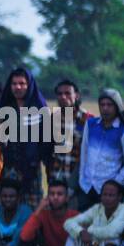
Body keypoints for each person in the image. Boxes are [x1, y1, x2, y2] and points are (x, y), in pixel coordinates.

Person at [0, 66, 50, 207]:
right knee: (9, 208)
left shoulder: (39, 108)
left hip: (32, 170)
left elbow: (46, 142)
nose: (18, 87)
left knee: (33, 211)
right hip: (10, 168)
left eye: (22, 84)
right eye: (14, 84)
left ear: (29, 85)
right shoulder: (5, 107)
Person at [76, 89, 124, 212]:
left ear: (117, 107)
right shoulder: (90, 124)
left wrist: (115, 184)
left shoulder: (123, 131)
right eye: (102, 105)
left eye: (109, 105)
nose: (105, 108)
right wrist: (82, 178)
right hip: (86, 186)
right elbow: (84, 153)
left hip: (108, 192)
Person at [16, 180, 79, 246]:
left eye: (59, 194)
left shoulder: (75, 216)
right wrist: (39, 209)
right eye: (52, 194)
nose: (55, 197)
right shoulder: (43, 214)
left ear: (67, 198)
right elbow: (24, 236)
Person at [50, 78, 89, 206]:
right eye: (60, 94)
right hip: (56, 178)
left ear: (76, 95)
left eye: (67, 93)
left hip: (78, 182)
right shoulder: (52, 120)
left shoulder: (87, 120)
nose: (63, 97)